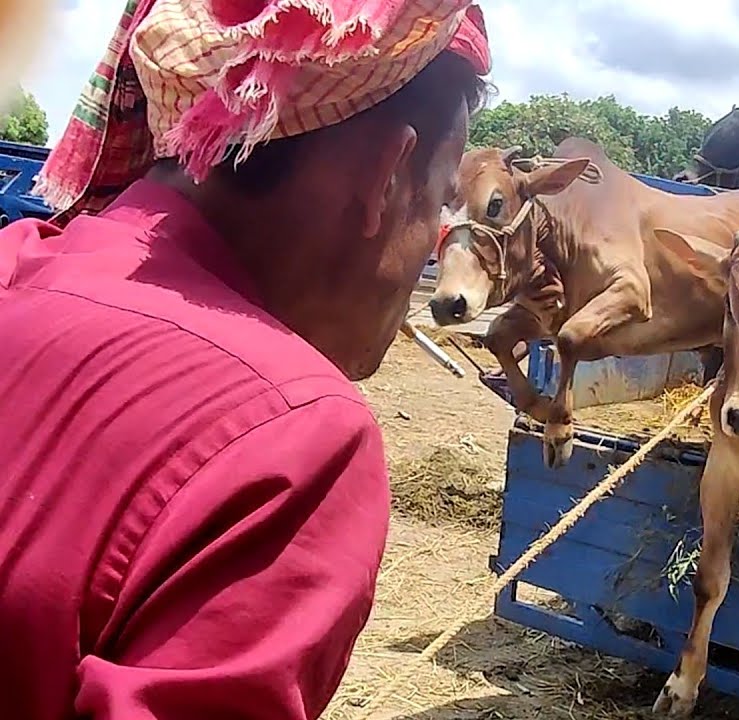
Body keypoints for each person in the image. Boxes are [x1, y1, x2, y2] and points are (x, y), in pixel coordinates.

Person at [0, 1, 491, 718]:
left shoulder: (14, 261)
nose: (431, 242)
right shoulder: (296, 437)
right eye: (441, 201)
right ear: (386, 176)